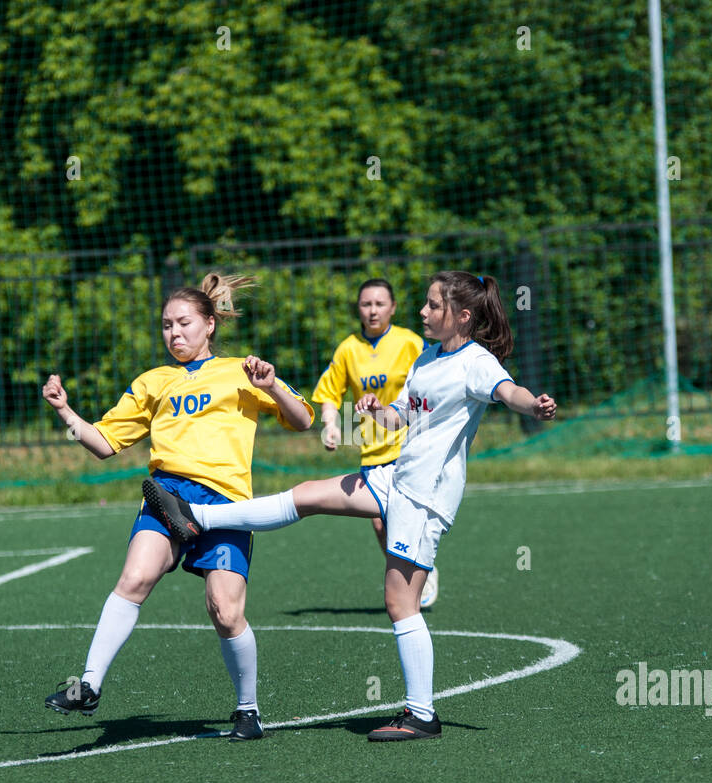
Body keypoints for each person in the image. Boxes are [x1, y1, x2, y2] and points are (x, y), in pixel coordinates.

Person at [145, 271, 557, 741]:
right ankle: (197, 517)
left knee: (401, 603)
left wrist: (535, 406)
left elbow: (510, 392)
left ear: (461, 316)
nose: (421, 312)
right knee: (307, 495)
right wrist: (375, 410)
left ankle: (422, 715)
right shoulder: (428, 356)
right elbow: (401, 416)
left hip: (424, 498)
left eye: (431, 306)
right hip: (395, 477)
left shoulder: (477, 362)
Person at [41, 273, 314, 739]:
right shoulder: (153, 382)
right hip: (168, 498)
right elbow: (104, 443)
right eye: (166, 325)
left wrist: (272, 387)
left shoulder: (240, 372)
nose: (174, 333)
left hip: (227, 503)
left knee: (225, 611)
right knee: (134, 578)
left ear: (209, 324)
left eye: (184, 323)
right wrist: (66, 414)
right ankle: (87, 686)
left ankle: (247, 709)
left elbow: (303, 420)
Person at [312, 279, 439, 605]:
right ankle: (410, 568)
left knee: (401, 513)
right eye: (367, 304)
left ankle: (422, 570)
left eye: (380, 304)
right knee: (380, 524)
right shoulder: (348, 349)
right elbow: (329, 393)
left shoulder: (410, 342)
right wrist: (332, 426)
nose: (373, 310)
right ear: (359, 308)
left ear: (392, 308)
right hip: (371, 448)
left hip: (408, 442)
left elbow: (436, 378)